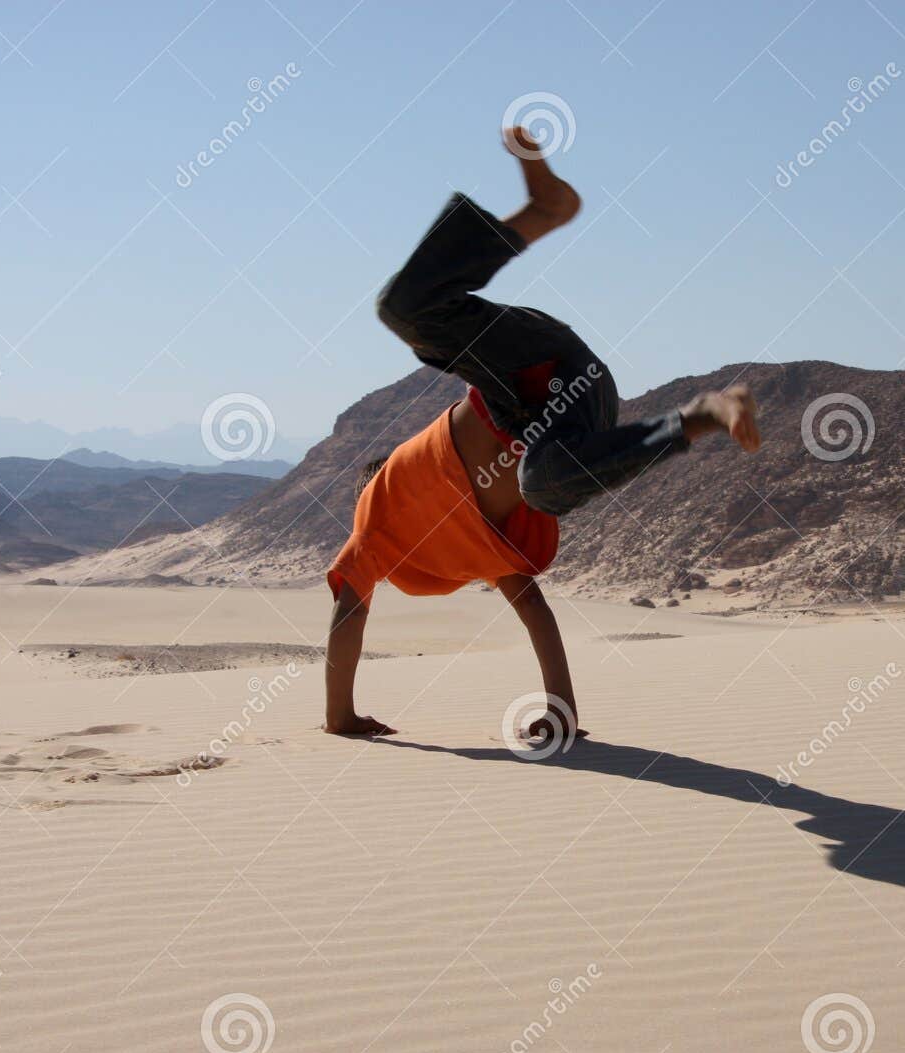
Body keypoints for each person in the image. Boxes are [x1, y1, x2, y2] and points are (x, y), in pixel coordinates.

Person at [322, 127, 761, 743]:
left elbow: (349, 611)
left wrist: (338, 717)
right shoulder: (474, 547)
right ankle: (701, 415)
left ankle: (543, 211)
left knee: (408, 311)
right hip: (573, 400)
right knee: (540, 483)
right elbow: (536, 611)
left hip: (523, 379)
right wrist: (564, 713)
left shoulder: (378, 514)